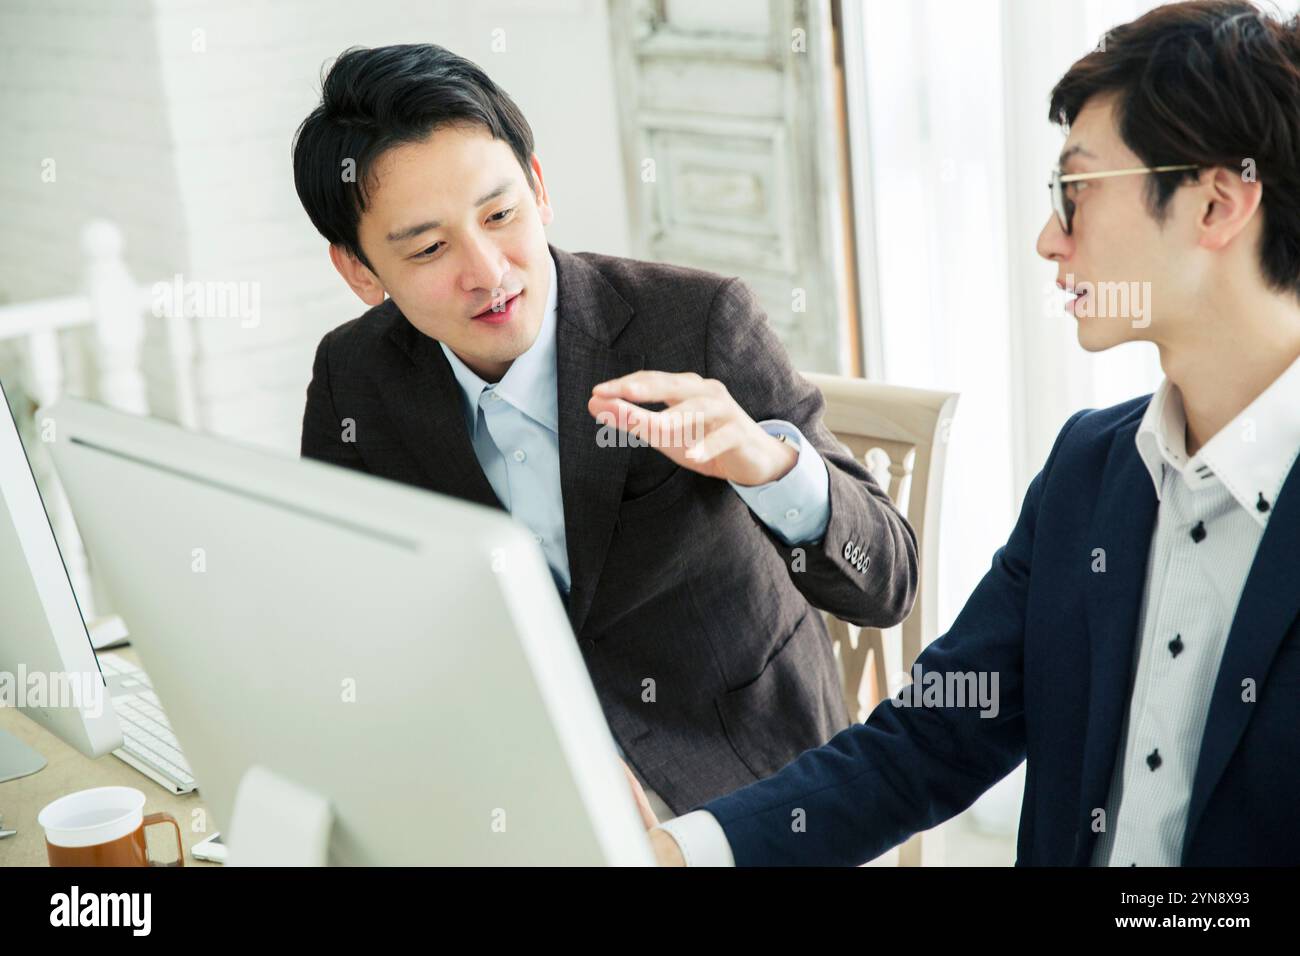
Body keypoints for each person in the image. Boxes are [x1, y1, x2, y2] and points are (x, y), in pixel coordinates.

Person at [643, 0, 1300, 865]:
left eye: (1075, 193)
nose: (1046, 239)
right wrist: (678, 854)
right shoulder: (1088, 472)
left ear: (1217, 203)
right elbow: (929, 742)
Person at [293, 44, 918, 817]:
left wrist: (765, 465)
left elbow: (889, 581)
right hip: (510, 790)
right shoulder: (354, 377)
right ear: (359, 271)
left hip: (740, 783)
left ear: (540, 187)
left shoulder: (697, 323)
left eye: (500, 214)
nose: (488, 270)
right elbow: (344, 601)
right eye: (428, 247)